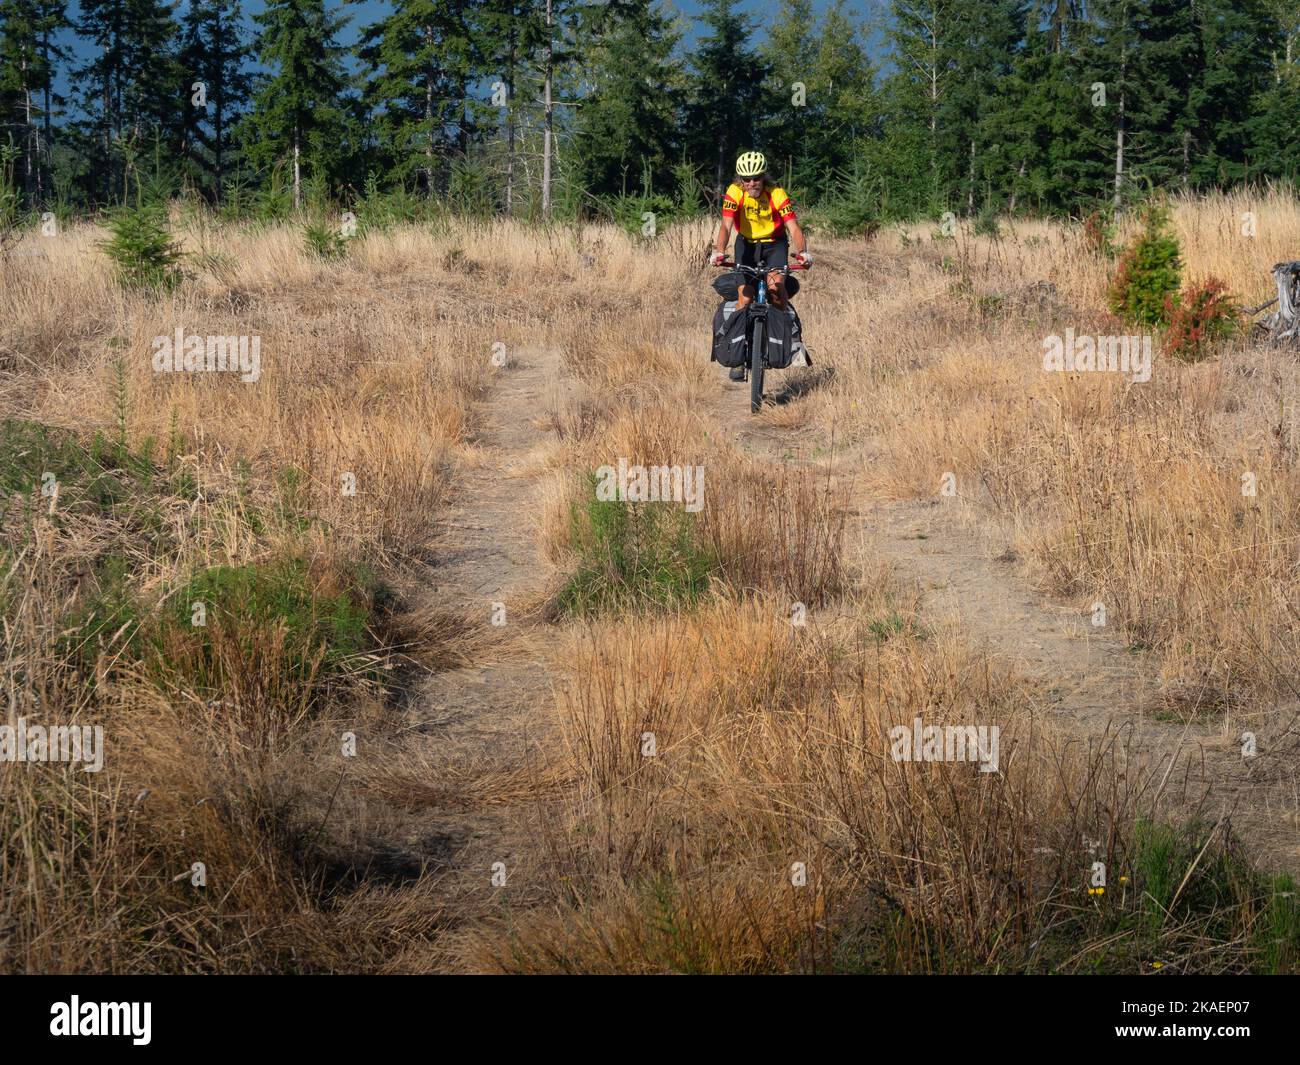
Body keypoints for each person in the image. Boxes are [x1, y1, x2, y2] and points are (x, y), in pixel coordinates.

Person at [710, 151, 811, 379]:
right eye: (747, 179)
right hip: (746, 244)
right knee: (744, 296)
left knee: (776, 288)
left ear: (763, 176)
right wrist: (718, 251)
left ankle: (793, 343)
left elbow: (793, 226)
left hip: (775, 244)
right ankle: (737, 355)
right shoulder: (735, 192)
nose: (752, 183)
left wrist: (803, 252)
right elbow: (726, 226)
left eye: (756, 177)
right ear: (740, 180)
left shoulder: (776, 193)